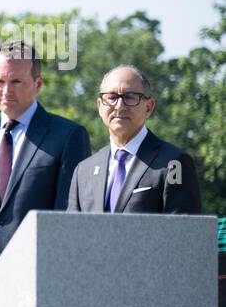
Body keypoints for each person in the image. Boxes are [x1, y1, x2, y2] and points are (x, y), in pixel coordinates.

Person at [0, 40, 90, 304]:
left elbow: (68, 222)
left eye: (16, 82)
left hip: (39, 295)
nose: (5, 91)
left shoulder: (68, 136)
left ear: (38, 84)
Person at [67, 66, 201, 214]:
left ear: (149, 107)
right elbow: (72, 231)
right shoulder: (84, 170)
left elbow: (183, 232)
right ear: (100, 106)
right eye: (111, 97)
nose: (119, 106)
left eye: (129, 97)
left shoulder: (175, 163)